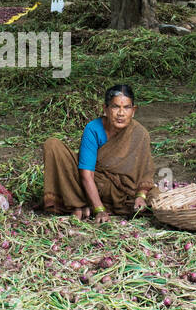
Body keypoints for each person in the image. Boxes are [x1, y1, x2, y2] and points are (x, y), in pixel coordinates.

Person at [42, 84, 156, 220]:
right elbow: (86, 174)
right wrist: (99, 209)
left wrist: (140, 196)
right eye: (115, 107)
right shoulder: (93, 129)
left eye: (126, 107)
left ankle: (86, 206)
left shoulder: (140, 133)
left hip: (124, 192)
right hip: (90, 184)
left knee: (156, 198)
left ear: (134, 110)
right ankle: (79, 203)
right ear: (105, 109)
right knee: (52, 145)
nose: (121, 113)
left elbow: (145, 175)